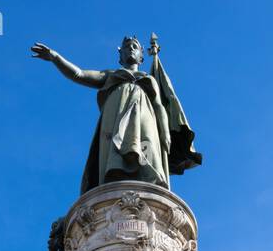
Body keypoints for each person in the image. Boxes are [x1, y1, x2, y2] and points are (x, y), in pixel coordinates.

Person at [30, 34, 202, 193]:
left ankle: (151, 188)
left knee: (147, 148)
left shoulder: (150, 80)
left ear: (142, 57)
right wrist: (55, 57)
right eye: (127, 46)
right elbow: (79, 74)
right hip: (114, 118)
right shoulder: (111, 75)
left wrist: (165, 133)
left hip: (145, 118)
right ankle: (114, 182)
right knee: (114, 154)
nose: (131, 48)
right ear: (120, 56)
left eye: (135, 46)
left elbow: (159, 107)